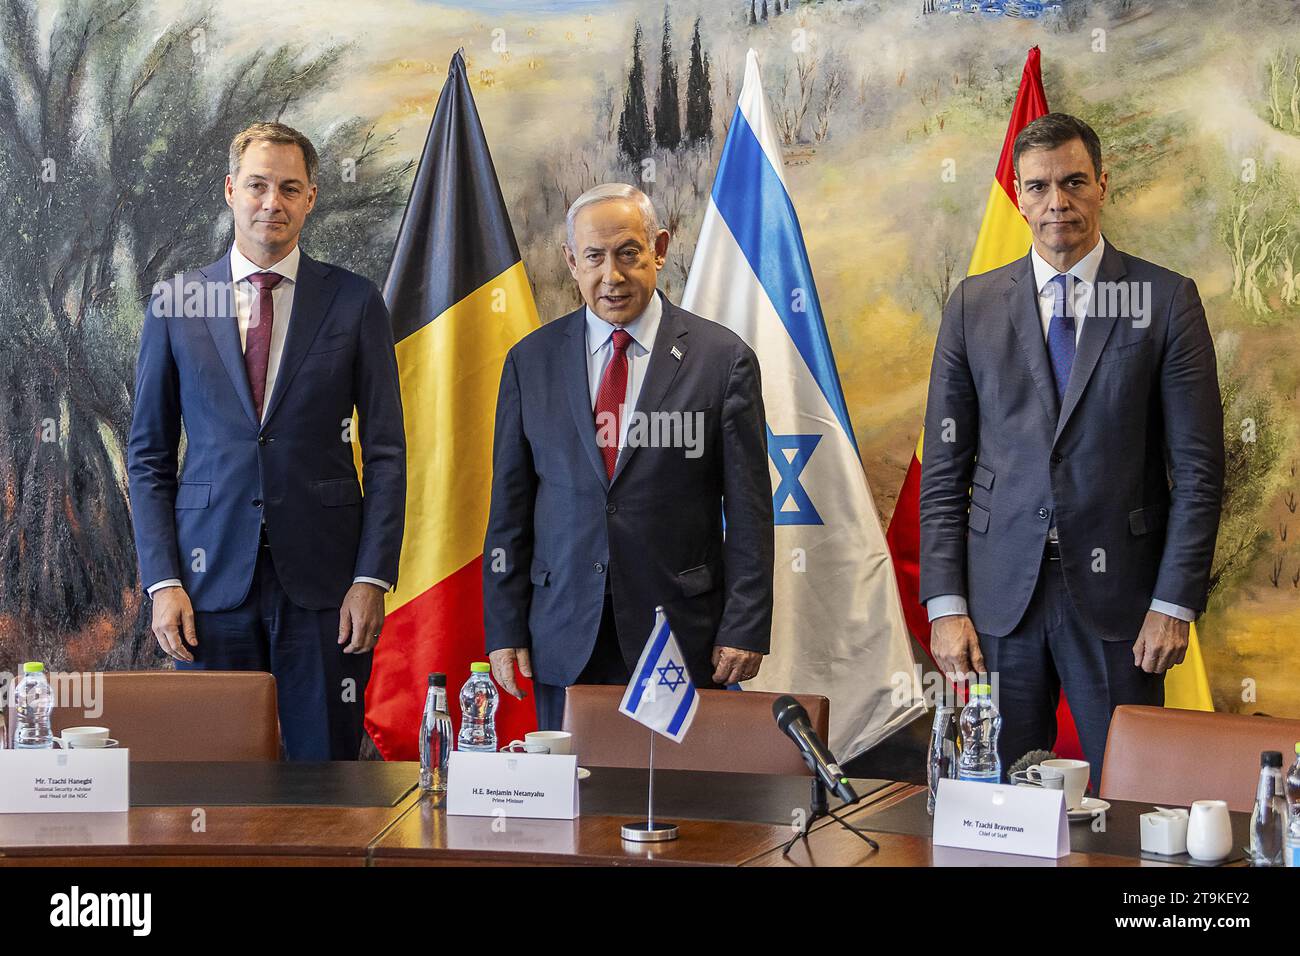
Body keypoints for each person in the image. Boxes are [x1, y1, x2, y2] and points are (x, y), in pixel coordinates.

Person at [920, 113, 1224, 784]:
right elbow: (945, 470)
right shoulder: (972, 306)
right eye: (1039, 187)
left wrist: (1174, 604)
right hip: (1000, 606)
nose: (1057, 202)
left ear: (1102, 185)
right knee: (996, 801)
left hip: (1126, 608)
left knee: (1133, 798)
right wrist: (946, 608)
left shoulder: (1166, 300)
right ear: (1020, 195)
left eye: (1074, 182)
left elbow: (1200, 473)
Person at [127, 122, 406, 760]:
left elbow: (387, 453)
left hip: (327, 586)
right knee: (214, 776)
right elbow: (147, 458)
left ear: (311, 198)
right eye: (257, 185)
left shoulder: (355, 302)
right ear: (230, 190)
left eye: (288, 188)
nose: (270, 203)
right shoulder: (176, 301)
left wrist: (372, 577)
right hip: (206, 582)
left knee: (326, 777)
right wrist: (163, 580)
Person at [483, 183, 774, 730]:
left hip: (681, 631)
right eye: (593, 256)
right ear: (572, 261)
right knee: (572, 799)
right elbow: (509, 512)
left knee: (671, 801)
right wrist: (504, 628)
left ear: (659, 249)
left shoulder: (723, 360)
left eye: (628, 253)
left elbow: (752, 512)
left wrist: (745, 625)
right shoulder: (530, 361)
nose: (611, 276)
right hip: (564, 627)